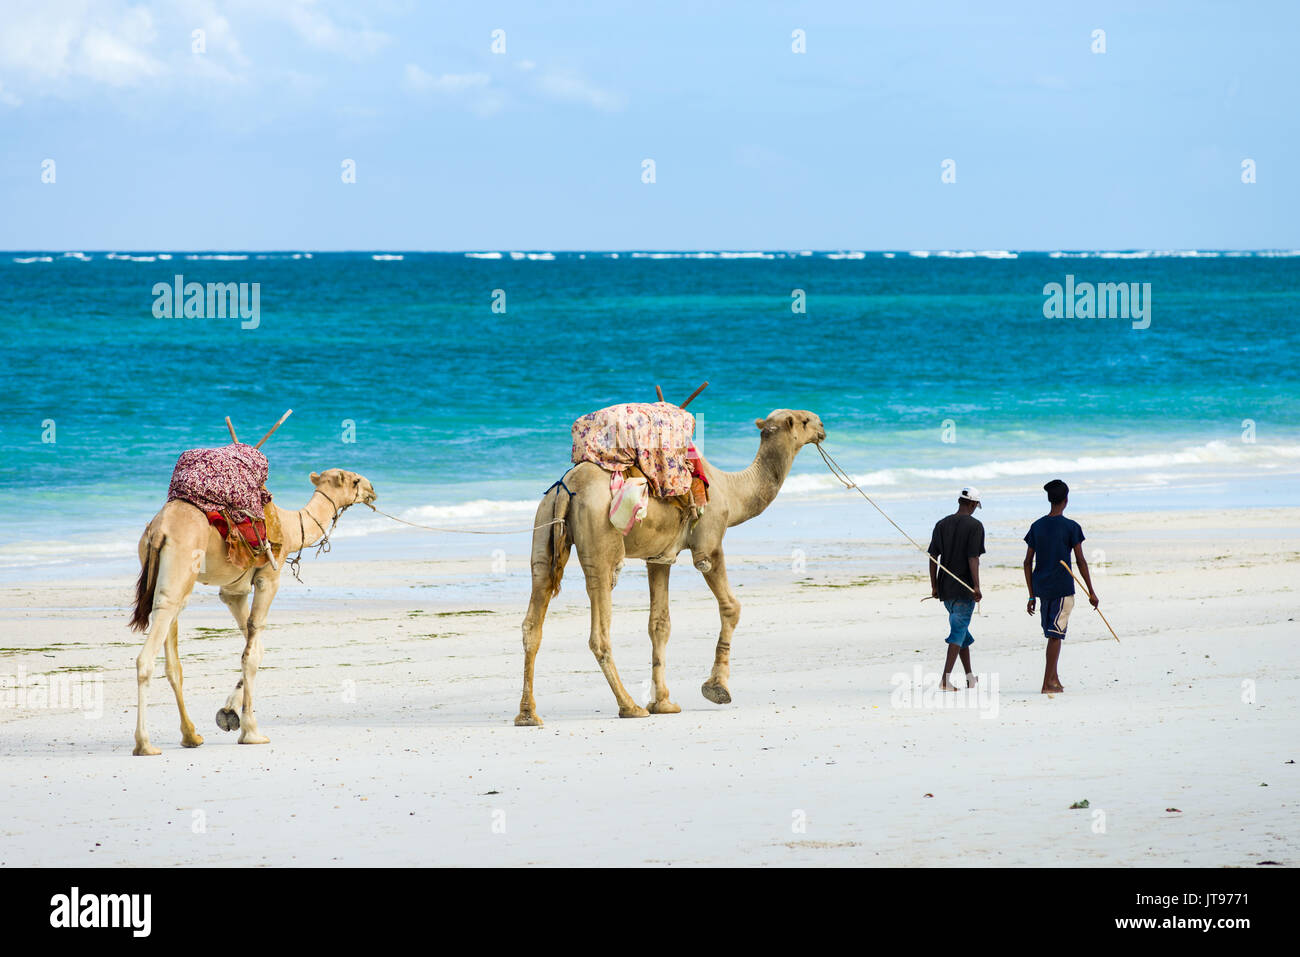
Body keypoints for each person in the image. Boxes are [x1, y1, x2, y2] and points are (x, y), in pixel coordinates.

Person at [1023, 479, 1098, 694]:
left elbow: (1027, 562)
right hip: (1062, 588)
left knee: (1052, 633)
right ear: (1066, 500)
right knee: (1055, 635)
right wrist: (1091, 591)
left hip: (1041, 588)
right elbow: (1081, 561)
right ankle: (1047, 683)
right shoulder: (1071, 527)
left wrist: (1031, 595)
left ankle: (1054, 679)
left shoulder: (1036, 526)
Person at [927, 487, 985, 691]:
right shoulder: (975, 526)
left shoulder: (941, 524)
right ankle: (945, 679)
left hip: (946, 589)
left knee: (961, 633)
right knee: (958, 632)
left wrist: (934, 585)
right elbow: (973, 558)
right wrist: (976, 586)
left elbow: (933, 557)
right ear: (972, 504)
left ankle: (970, 677)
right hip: (964, 590)